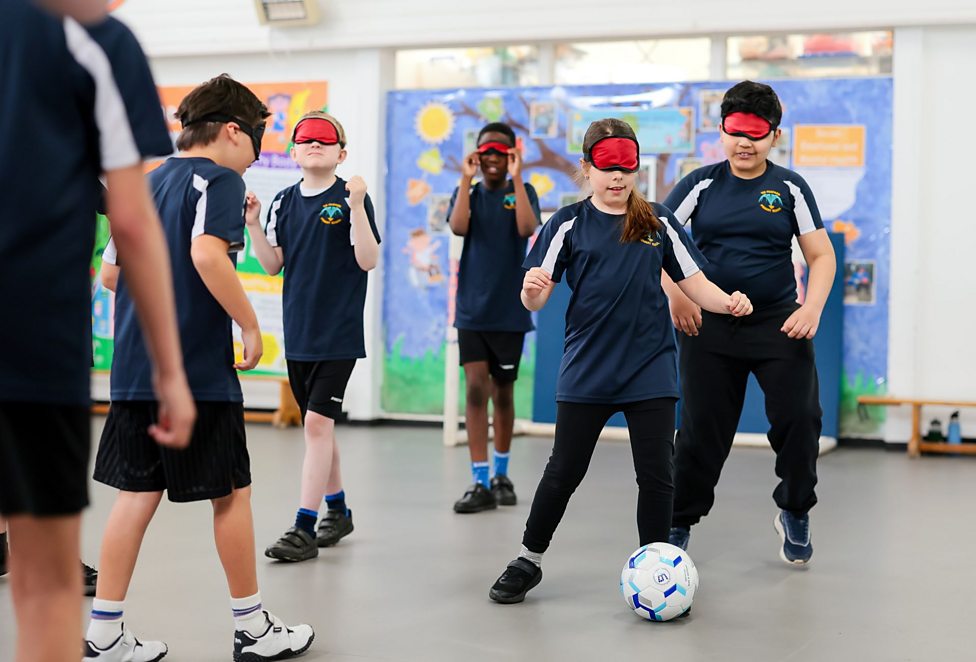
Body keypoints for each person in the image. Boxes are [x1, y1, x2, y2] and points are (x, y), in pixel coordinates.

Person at [85, 75, 314, 661]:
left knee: (136, 495)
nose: (257, 154)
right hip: (194, 373)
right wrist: (250, 323)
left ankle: (103, 634)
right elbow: (207, 253)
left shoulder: (142, 184)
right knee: (231, 494)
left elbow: (110, 276)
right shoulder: (219, 180)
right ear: (233, 132)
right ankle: (254, 629)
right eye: (258, 141)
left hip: (135, 371)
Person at [488, 119, 753, 604]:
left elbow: (695, 284)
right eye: (606, 169)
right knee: (564, 470)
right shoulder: (567, 223)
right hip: (588, 368)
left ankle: (656, 564)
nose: (617, 178)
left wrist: (728, 301)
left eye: (626, 169)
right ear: (586, 169)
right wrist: (531, 293)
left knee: (657, 474)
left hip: (650, 368)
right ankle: (529, 558)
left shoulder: (658, 222)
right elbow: (534, 295)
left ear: (636, 169)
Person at [0, 3, 195, 661]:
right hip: (30, 344)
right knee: (46, 581)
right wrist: (169, 369)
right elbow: (133, 225)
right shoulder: (94, 41)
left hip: (32, 348)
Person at [662, 81, 836, 565]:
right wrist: (678, 296)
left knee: (801, 422)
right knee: (700, 434)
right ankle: (678, 523)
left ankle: (795, 509)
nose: (744, 143)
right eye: (735, 132)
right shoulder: (700, 184)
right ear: (721, 131)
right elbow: (653, 241)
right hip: (708, 324)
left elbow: (821, 255)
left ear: (774, 136)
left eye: (756, 134)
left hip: (779, 325)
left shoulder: (789, 187)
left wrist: (811, 308)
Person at [247, 111, 381, 562]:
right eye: (305, 139)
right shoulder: (283, 202)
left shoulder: (351, 197)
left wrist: (359, 205)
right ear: (293, 153)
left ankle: (304, 526)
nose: (314, 144)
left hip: (338, 333)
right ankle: (338, 511)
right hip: (298, 332)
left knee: (317, 425)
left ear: (341, 153)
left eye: (325, 140)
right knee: (317, 428)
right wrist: (250, 224)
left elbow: (367, 260)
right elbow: (270, 264)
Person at [447, 122, 541, 513]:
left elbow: (526, 227)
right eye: (486, 155)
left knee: (503, 391)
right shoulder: (466, 192)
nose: (492, 162)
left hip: (509, 310)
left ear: (509, 158)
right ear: (477, 156)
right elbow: (457, 226)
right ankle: (480, 480)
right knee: (474, 390)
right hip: (472, 309)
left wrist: (518, 179)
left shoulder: (523, 191)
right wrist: (465, 182)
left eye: (500, 156)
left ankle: (502, 475)